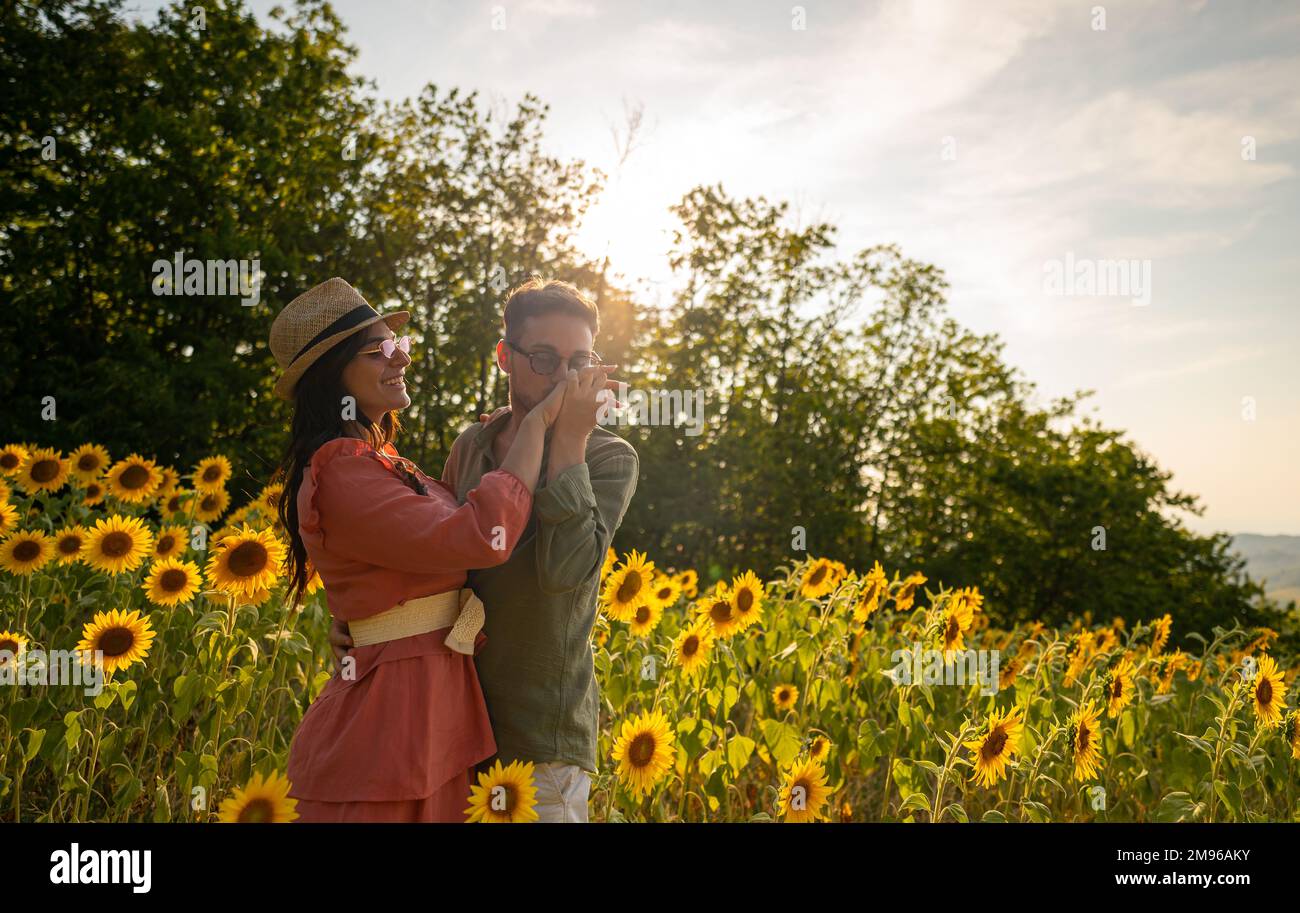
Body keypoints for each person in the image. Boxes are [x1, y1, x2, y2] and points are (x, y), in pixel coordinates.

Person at [330, 278, 639, 822]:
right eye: (544, 358)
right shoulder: (471, 445)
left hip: (541, 730)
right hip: (450, 719)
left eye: (579, 361)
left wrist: (568, 442)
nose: (564, 377)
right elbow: (447, 561)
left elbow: (565, 573)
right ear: (505, 357)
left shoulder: (610, 459)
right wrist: (374, 623)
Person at [268, 276, 566, 822]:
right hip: (390, 716)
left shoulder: (385, 463)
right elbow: (477, 536)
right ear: (331, 375)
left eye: (400, 345)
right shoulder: (343, 471)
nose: (400, 358)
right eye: (380, 349)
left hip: (431, 705)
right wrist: (534, 427)